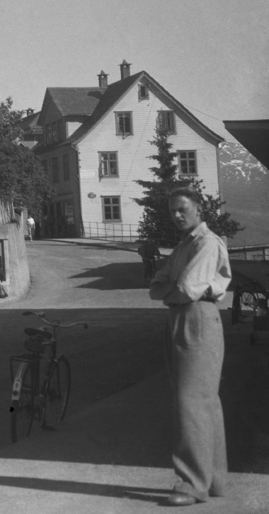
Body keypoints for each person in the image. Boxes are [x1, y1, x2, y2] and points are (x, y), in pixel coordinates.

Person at [148, 187, 231, 506]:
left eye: (182, 209)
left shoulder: (207, 243)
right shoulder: (185, 245)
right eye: (172, 210)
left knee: (191, 401)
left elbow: (184, 289)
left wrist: (173, 290)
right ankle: (214, 481)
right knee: (203, 402)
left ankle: (193, 482)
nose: (177, 215)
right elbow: (157, 286)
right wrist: (174, 290)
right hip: (180, 318)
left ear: (199, 210)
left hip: (198, 318)